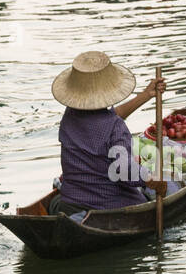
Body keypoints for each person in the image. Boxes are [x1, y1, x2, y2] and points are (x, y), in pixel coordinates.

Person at [50, 51, 174, 216]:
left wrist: (146, 95)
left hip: (70, 202)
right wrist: (150, 180)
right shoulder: (115, 127)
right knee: (170, 188)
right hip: (108, 207)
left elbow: (106, 119)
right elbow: (125, 170)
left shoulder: (70, 116)